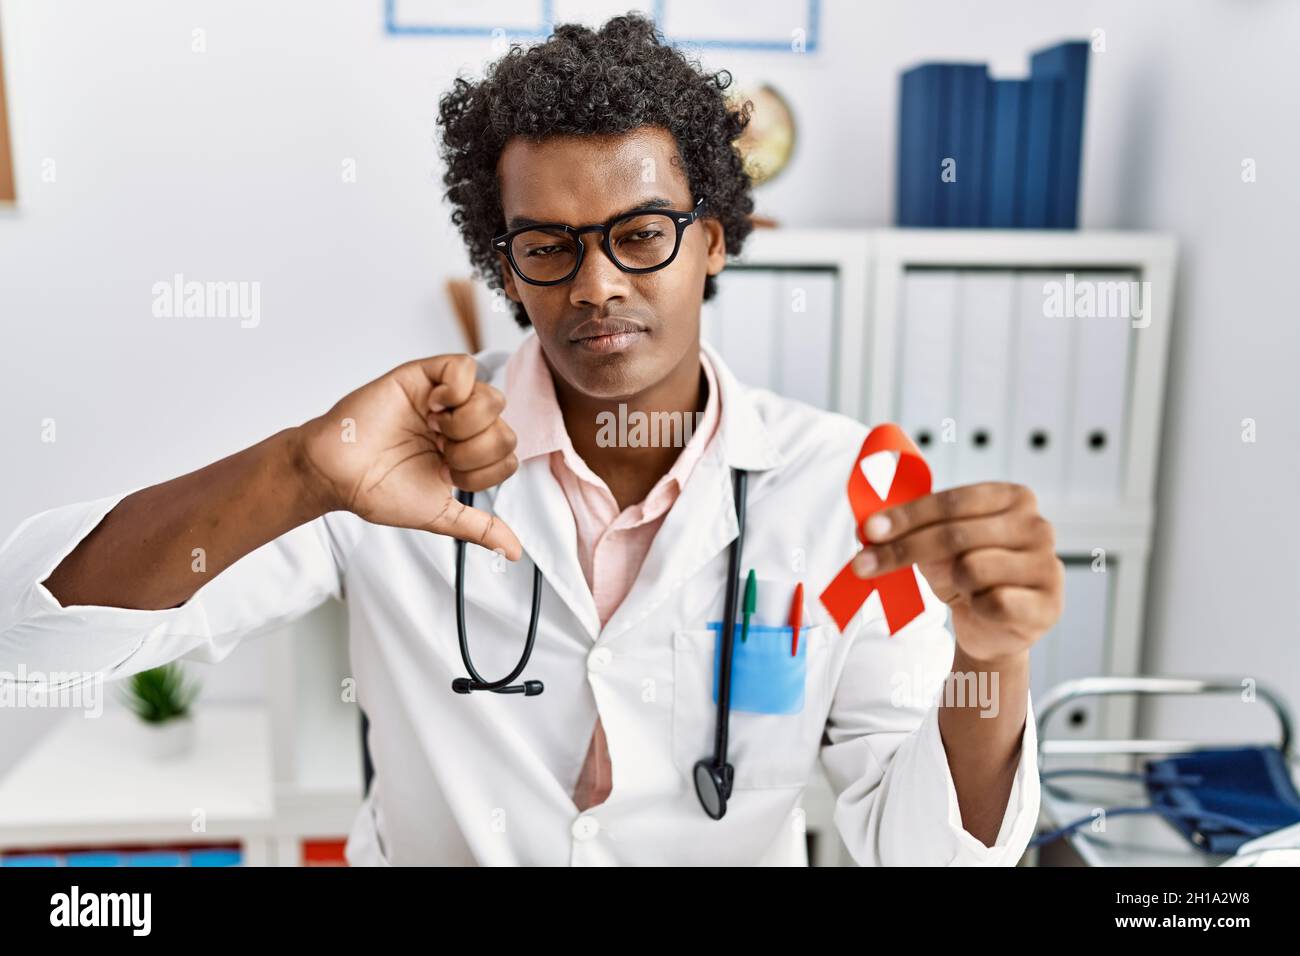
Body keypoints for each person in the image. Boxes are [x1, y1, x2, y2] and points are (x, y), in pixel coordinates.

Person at [0, 14, 1062, 865]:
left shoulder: (843, 487)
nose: (597, 285)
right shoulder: (393, 474)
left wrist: (993, 658)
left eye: (641, 235)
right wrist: (296, 471)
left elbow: (930, 853)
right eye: (547, 246)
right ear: (504, 268)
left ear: (717, 241)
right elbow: (34, 644)